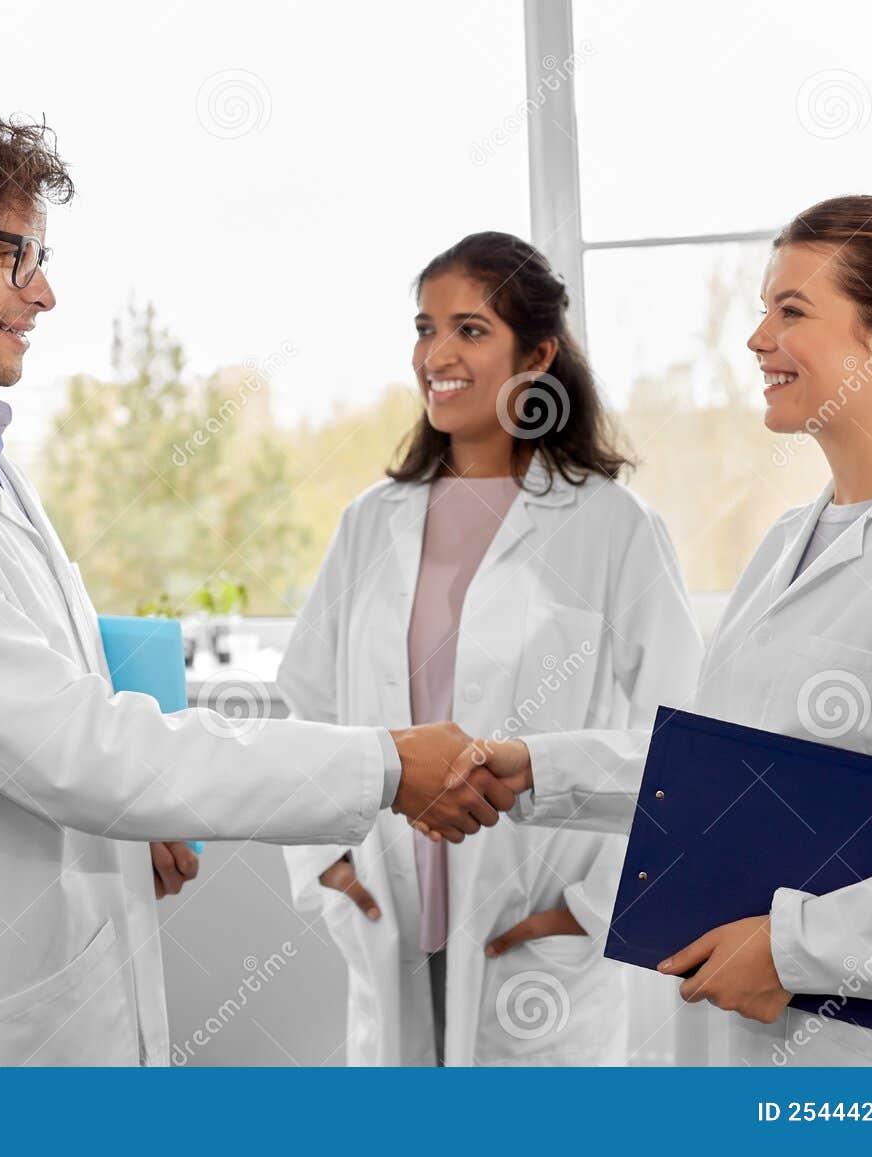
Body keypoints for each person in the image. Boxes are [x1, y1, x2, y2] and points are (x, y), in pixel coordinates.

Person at [0, 85, 504, 1067]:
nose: (43, 293)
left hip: (60, 1020)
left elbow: (30, 719)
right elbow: (81, 747)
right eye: (14, 253)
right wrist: (387, 765)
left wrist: (121, 831)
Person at [454, 195, 872, 1066]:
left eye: (792, 311)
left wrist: (795, 948)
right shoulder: (786, 545)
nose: (757, 337)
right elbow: (728, 775)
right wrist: (543, 768)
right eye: (764, 309)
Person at [280, 233, 704, 1065]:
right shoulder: (372, 521)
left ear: (537, 355)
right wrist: (326, 863)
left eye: (469, 330)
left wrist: (593, 906)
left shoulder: (612, 526)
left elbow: (685, 740)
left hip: (535, 934)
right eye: (425, 327)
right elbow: (307, 701)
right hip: (389, 918)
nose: (436, 355)